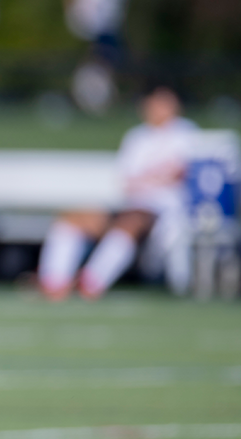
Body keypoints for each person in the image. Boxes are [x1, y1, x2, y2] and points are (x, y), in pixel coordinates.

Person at [37, 87, 197, 300]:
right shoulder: (137, 137)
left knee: (131, 222)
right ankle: (54, 283)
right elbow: (128, 180)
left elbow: (179, 173)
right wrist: (155, 177)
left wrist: (151, 178)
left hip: (165, 212)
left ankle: (91, 283)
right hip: (129, 205)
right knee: (72, 218)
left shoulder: (187, 134)